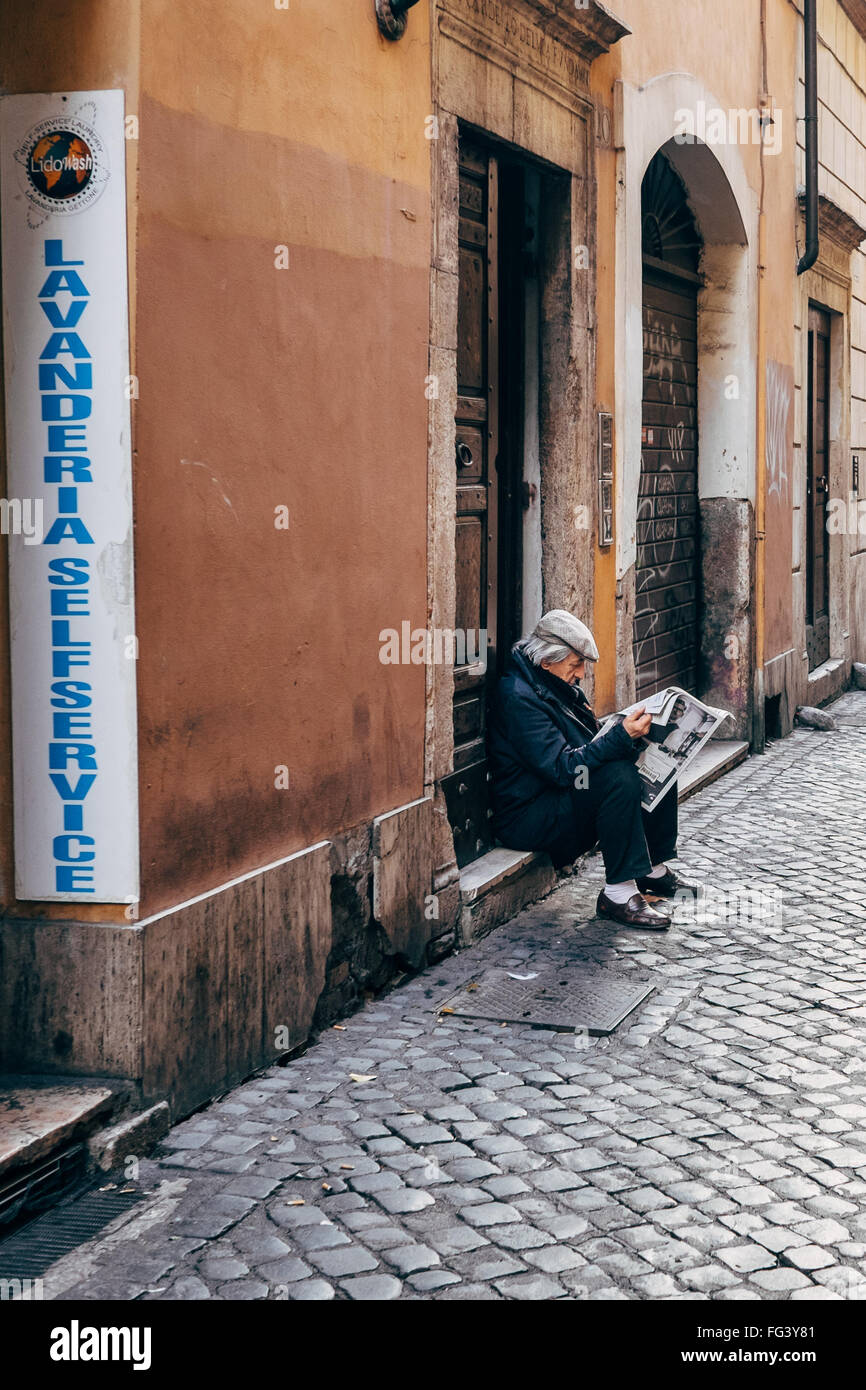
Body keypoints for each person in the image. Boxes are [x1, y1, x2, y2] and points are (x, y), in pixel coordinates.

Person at [487, 609, 697, 930]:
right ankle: (617, 894)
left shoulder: (554, 686)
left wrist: (634, 738)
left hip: (557, 796)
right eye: (575, 664)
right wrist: (618, 737)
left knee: (655, 759)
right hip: (529, 815)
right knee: (617, 777)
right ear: (547, 661)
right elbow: (562, 768)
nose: (581, 673)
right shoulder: (518, 697)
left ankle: (650, 869)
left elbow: (586, 746)